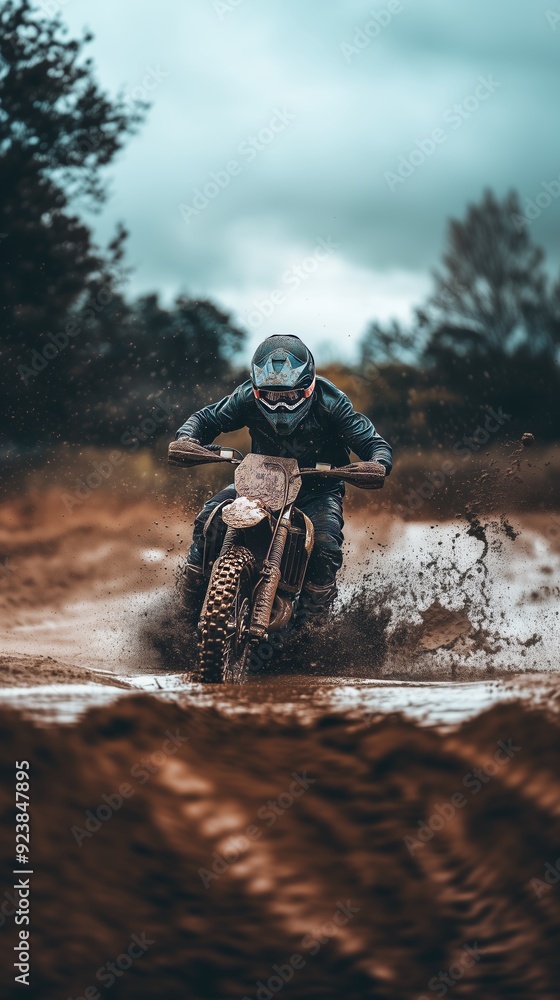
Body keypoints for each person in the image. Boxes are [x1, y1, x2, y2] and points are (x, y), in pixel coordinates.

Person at [175, 334, 392, 624]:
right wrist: (187, 438)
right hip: (259, 482)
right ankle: (183, 615)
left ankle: (313, 632)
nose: (279, 404)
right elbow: (206, 418)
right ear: (256, 391)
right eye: (270, 395)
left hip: (318, 489)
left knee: (326, 545)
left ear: (307, 387)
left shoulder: (332, 403)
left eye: (288, 396)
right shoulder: (245, 398)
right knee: (209, 518)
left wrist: (377, 463)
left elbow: (373, 443)